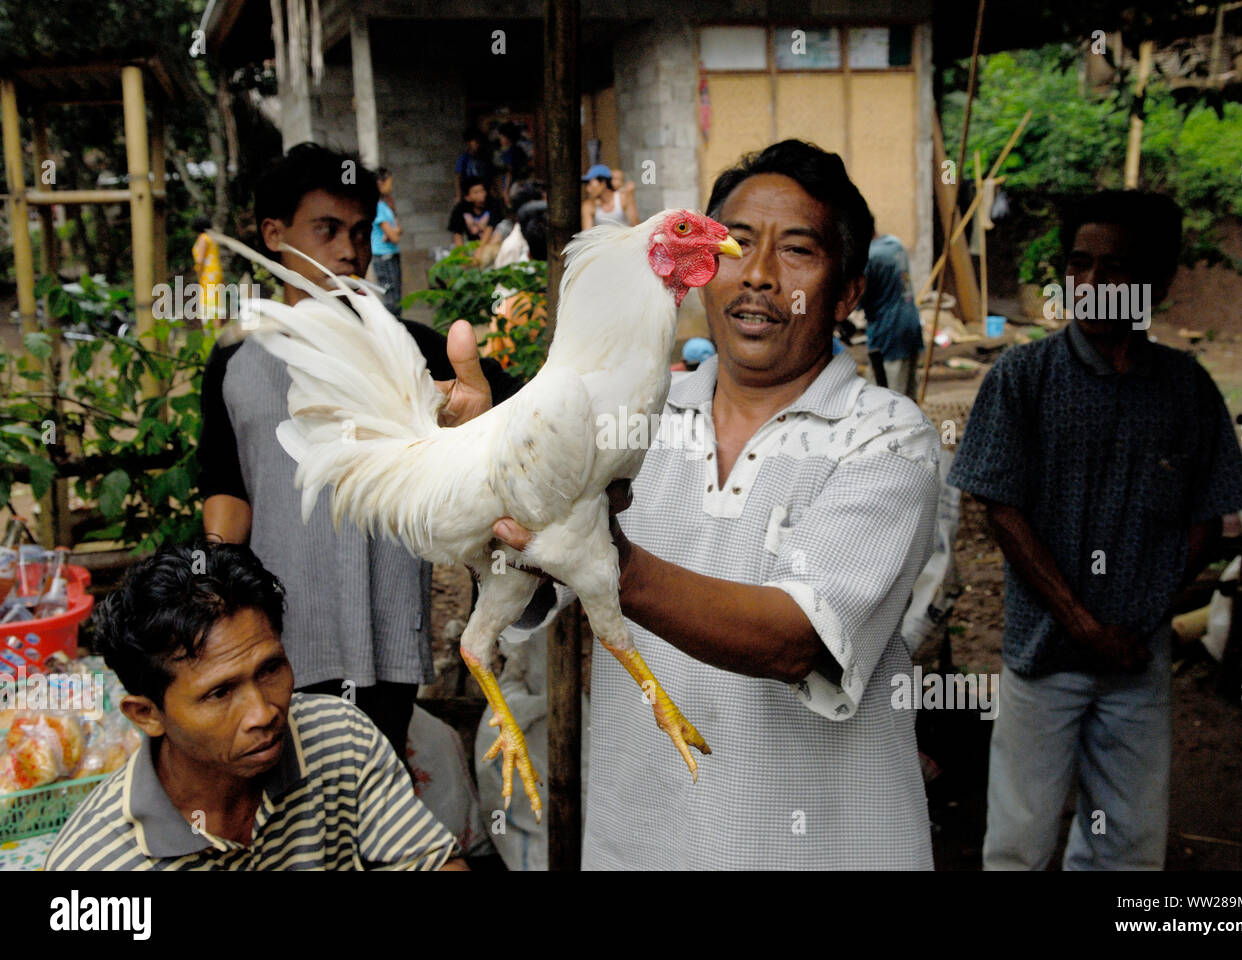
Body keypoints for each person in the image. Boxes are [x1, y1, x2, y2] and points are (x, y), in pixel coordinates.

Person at [495, 139, 940, 869]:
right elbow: (531, 586)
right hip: (639, 843)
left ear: (849, 291)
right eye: (737, 244)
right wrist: (492, 477)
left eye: (797, 250)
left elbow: (796, 640)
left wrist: (609, 565)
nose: (758, 275)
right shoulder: (633, 415)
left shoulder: (889, 439)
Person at [947, 191, 1242, 870]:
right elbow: (1000, 507)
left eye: (1114, 268)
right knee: (1018, 846)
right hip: (1043, 655)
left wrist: (1144, 617)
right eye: (1078, 264)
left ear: (1157, 282)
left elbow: (1212, 517)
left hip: (1135, 664)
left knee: (1130, 847)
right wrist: (1083, 623)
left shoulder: (1187, 387)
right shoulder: (1024, 377)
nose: (1090, 284)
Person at [198, 142, 518, 758]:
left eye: (359, 231)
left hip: (388, 626)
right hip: (278, 633)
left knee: (379, 795)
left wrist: (484, 420)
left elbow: (520, 416)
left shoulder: (414, 350)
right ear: (273, 233)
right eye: (326, 230)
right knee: (289, 797)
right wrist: (216, 593)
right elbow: (227, 484)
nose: (349, 250)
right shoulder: (236, 357)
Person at [45, 544, 466, 870]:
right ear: (147, 714)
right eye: (220, 693)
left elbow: (430, 861)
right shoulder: (94, 862)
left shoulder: (339, 739)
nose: (263, 712)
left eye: (270, 669)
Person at [860, 231, 923, 398]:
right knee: (907, 398)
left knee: (887, 401)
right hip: (910, 324)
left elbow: (854, 299)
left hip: (888, 333)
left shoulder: (869, 257)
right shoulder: (895, 244)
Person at [371, 167, 403, 317]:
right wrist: (392, 233)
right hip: (384, 256)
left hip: (391, 253)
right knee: (391, 299)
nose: (391, 186)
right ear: (381, 183)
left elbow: (398, 230)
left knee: (397, 296)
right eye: (389, 182)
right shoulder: (377, 207)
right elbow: (395, 236)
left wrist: (392, 232)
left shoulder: (386, 205)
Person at [580, 163, 639, 230]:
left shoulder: (623, 198)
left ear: (603, 183)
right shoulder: (588, 206)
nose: (588, 189)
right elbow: (587, 235)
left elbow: (636, 227)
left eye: (590, 183)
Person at [447, 176, 500, 248]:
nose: (481, 195)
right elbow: (457, 233)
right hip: (473, 245)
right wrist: (461, 254)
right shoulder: (461, 209)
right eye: (476, 192)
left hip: (492, 244)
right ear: (468, 197)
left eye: (482, 191)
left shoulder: (493, 204)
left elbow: (490, 227)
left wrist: (480, 250)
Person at [192, 216, 225, 325]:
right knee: (216, 304)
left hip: (208, 275)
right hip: (216, 273)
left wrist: (198, 274)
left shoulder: (203, 238)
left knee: (209, 305)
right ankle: (217, 332)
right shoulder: (212, 238)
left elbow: (200, 260)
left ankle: (211, 336)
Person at [455, 127, 491, 198]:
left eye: (479, 142)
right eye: (476, 142)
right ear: (469, 143)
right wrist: (458, 195)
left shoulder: (484, 159)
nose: (478, 145)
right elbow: (458, 178)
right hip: (469, 193)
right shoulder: (464, 158)